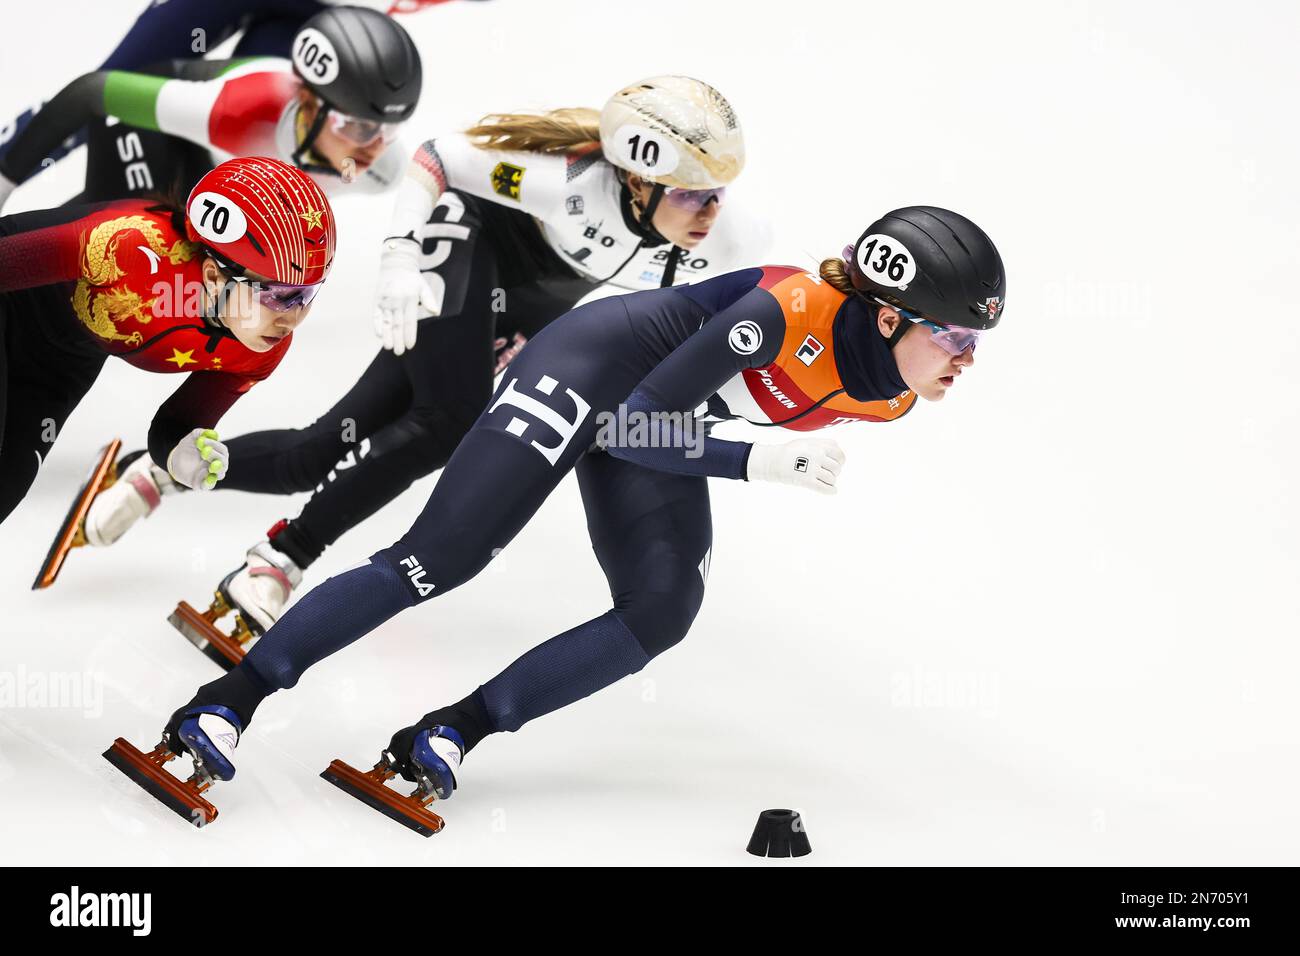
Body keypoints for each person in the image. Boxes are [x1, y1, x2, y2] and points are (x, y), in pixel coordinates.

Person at [116, 205, 1006, 819]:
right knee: (440, 559)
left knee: (661, 612)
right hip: (591, 369)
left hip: (660, 414)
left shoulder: (894, 394)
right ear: (890, 316)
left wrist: (734, 447)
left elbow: (654, 429)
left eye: (976, 342)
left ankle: (449, 733)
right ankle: (223, 703)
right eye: (957, 336)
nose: (964, 360)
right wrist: (759, 458)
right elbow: (623, 424)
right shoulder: (785, 311)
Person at [79, 76, 765, 656]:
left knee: (323, 448)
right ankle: (285, 558)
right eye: (692, 194)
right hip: (463, 253)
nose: (710, 210)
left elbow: (750, 311)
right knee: (452, 421)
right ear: (638, 177)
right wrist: (402, 255)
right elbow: (438, 158)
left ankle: (162, 471)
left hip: (519, 314)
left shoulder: (725, 236)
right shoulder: (564, 182)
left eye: (717, 192)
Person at [0, 156, 337, 534]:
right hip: (10, 305)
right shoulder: (131, 246)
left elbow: (177, 423)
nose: (292, 317)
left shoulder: (261, 348)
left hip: (59, 367)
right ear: (213, 276)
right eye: (279, 295)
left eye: (307, 295)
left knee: (8, 483)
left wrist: (178, 453)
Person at [0, 4, 422, 212]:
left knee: (236, 173)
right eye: (367, 132)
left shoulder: (378, 163)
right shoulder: (238, 107)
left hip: (326, 19)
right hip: (287, 59)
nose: (376, 148)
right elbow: (94, 93)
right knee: (119, 84)